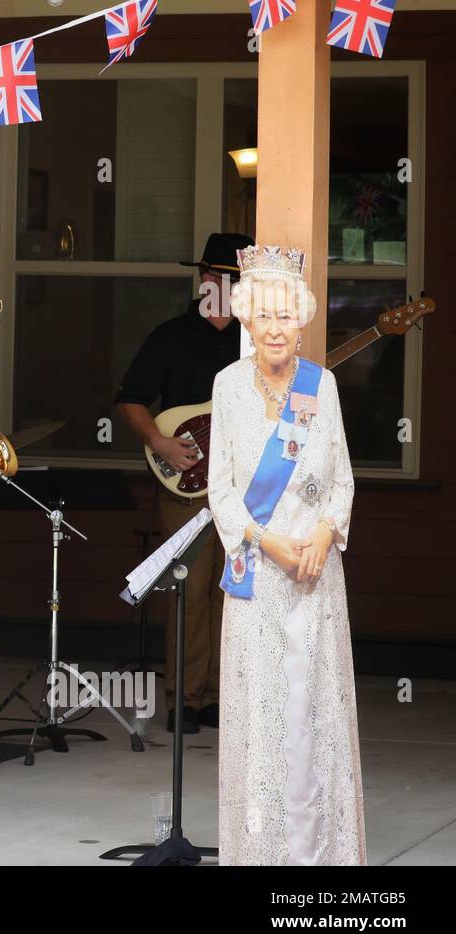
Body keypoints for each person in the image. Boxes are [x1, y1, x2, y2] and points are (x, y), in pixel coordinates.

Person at [208, 244, 365, 865]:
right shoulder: (226, 388)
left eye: (286, 316)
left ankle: (322, 859)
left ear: (301, 320)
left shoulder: (319, 386)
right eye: (264, 315)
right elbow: (219, 485)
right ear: (246, 319)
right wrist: (265, 538)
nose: (276, 328)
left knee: (314, 716)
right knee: (262, 720)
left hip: (316, 580)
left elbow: (344, 481)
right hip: (257, 578)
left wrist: (324, 538)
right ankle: (261, 854)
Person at [115, 232, 253, 734]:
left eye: (238, 278)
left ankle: (221, 696)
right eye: (220, 276)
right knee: (189, 591)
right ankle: (185, 698)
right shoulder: (170, 336)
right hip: (185, 485)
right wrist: (159, 441)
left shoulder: (257, 338)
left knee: (233, 592)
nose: (228, 285)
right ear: (205, 278)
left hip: (245, 485)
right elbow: (130, 397)